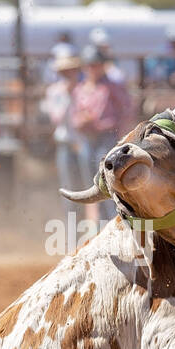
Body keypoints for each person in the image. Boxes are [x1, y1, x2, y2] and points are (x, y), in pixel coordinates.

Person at [71, 45, 131, 221]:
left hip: (107, 138)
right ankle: (102, 223)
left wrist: (118, 134)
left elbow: (126, 110)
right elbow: (74, 115)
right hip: (87, 139)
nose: (93, 68)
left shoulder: (112, 87)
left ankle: (115, 220)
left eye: (96, 64)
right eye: (90, 65)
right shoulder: (80, 89)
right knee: (93, 183)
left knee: (109, 183)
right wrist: (80, 122)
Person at [41, 51, 84, 204]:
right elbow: (56, 118)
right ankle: (72, 224)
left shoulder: (84, 89)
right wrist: (68, 95)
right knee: (69, 188)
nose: (69, 73)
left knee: (90, 185)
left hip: (85, 143)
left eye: (72, 69)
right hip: (66, 143)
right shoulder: (54, 92)